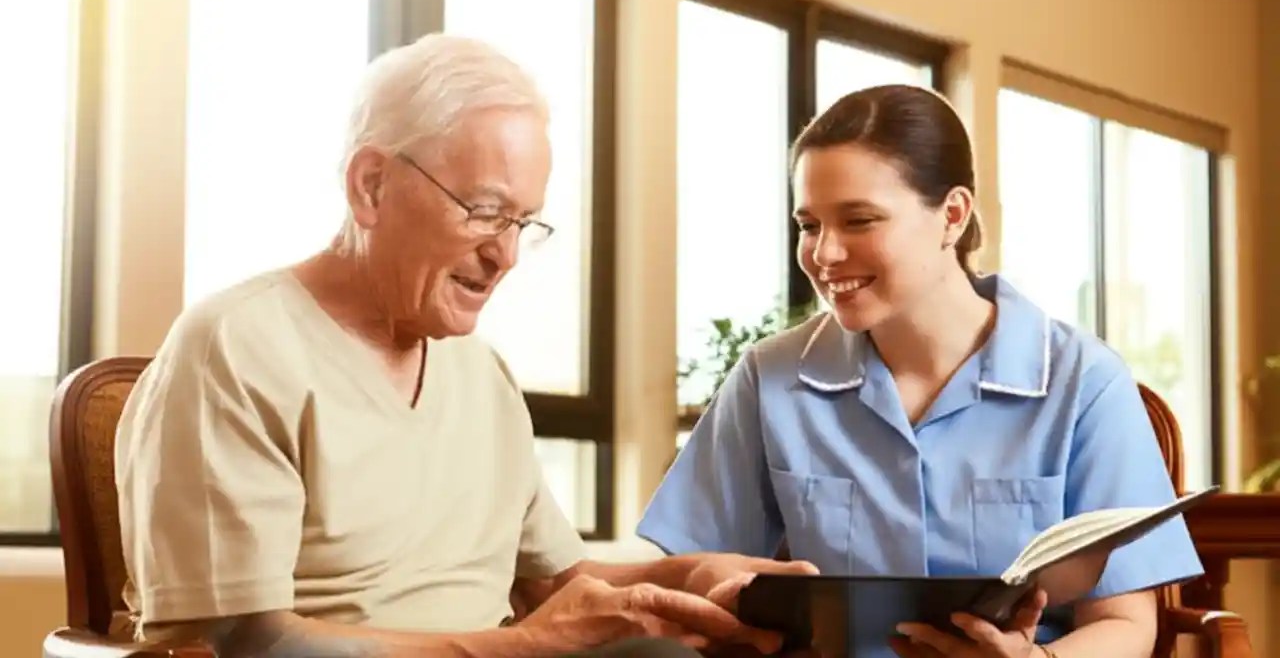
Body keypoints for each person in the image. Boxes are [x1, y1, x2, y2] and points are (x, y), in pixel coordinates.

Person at [113, 33, 814, 658]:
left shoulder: (482, 375)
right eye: (483, 211)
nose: (505, 254)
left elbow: (555, 586)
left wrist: (688, 576)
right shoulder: (235, 348)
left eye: (523, 222)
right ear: (372, 185)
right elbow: (241, 640)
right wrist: (518, 647)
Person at [635, 84, 1204, 658]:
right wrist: (727, 596)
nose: (825, 255)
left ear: (952, 216)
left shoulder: (1084, 382)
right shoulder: (770, 379)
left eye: (859, 220)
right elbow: (695, 572)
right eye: (809, 226)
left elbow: (1128, 625)